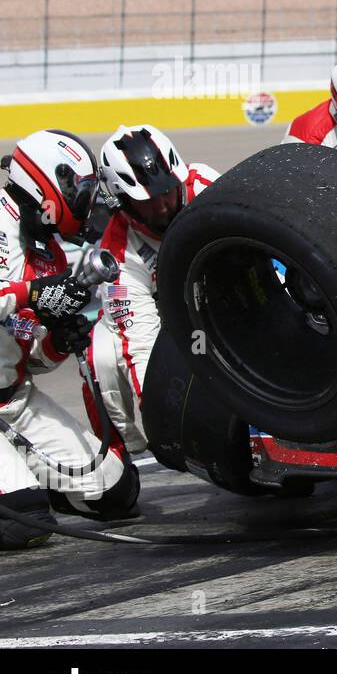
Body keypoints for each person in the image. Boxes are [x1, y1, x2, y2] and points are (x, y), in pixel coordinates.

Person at [0, 131, 138, 551]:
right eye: (79, 191)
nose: (86, 204)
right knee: (24, 524)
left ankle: (23, 471)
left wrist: (58, 340)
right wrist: (34, 295)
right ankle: (20, 487)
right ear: (47, 186)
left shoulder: (51, 256)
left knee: (115, 493)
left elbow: (29, 357)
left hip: (11, 399)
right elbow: (17, 297)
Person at [84, 126, 219, 457]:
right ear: (123, 202)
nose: (162, 207)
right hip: (165, 322)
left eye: (167, 191)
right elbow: (140, 344)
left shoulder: (205, 184)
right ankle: (119, 456)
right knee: (100, 354)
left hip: (226, 294)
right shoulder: (117, 252)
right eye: (147, 201)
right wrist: (165, 416)